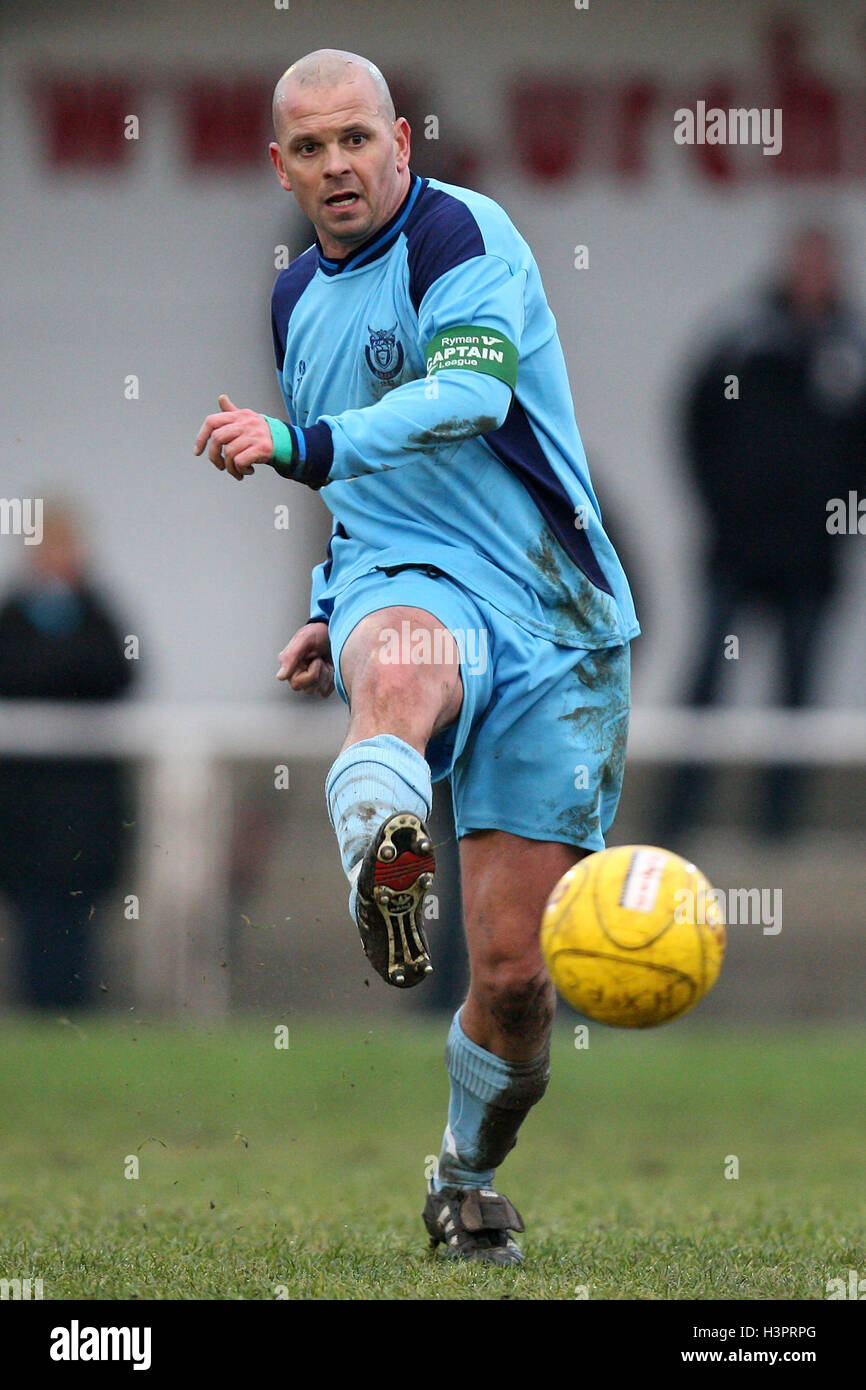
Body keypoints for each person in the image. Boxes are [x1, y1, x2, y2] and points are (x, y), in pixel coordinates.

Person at [195, 49, 639, 1265]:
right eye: (310, 147)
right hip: (409, 587)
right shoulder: (293, 300)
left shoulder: (462, 235)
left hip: (552, 619)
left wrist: (296, 440)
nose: (337, 165)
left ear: (400, 139)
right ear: (277, 167)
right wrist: (330, 598)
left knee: (511, 979)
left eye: (355, 139)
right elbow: (361, 499)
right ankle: (381, 860)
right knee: (394, 674)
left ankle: (461, 1175)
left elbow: (467, 402)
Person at [660, 226, 866, 841]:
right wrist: (721, 508)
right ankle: (677, 820)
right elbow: (694, 422)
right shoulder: (742, 338)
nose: (810, 274)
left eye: (820, 263)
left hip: (813, 559)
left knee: (796, 694)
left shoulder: (851, 351)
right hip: (737, 551)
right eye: (802, 261)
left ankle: (778, 830)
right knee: (706, 681)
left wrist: (843, 523)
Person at [0, 505, 136, 1009]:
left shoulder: (100, 613)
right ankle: (36, 1011)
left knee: (78, 920)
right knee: (34, 918)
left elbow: (120, 675)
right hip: (23, 808)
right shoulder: (12, 616)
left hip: (86, 806)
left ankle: (76, 1009)